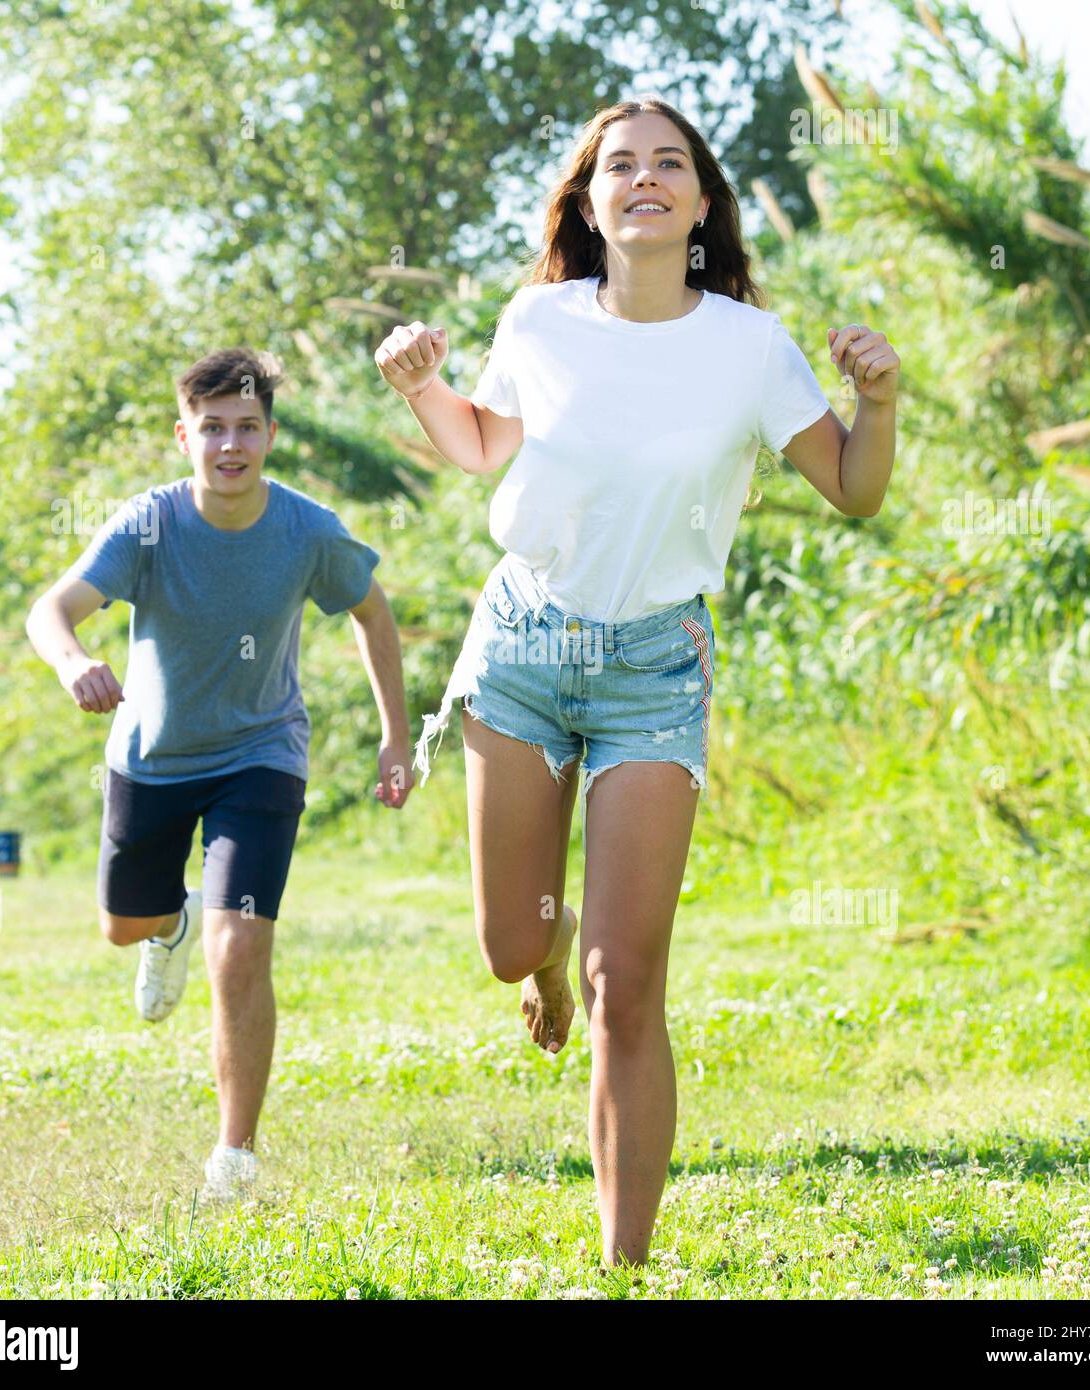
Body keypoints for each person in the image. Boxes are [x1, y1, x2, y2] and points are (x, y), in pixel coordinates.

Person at [375, 96, 900, 1268]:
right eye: (621, 165)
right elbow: (478, 447)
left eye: (670, 163)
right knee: (516, 945)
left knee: (630, 980)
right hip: (522, 645)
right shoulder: (540, 320)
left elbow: (852, 490)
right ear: (590, 199)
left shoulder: (747, 346)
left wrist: (878, 402)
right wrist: (419, 383)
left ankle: (623, 1264)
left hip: (654, 667)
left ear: (702, 203)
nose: (645, 179)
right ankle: (542, 964)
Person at [25, 347, 412, 1202]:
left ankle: (233, 1158)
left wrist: (394, 736)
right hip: (151, 759)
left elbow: (371, 611)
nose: (229, 445)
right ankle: (169, 927)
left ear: (271, 435)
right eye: (212, 429)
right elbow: (51, 610)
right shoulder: (148, 524)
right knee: (124, 928)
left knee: (239, 947)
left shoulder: (307, 529)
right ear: (184, 436)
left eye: (246, 428)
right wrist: (71, 662)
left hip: (260, 755)